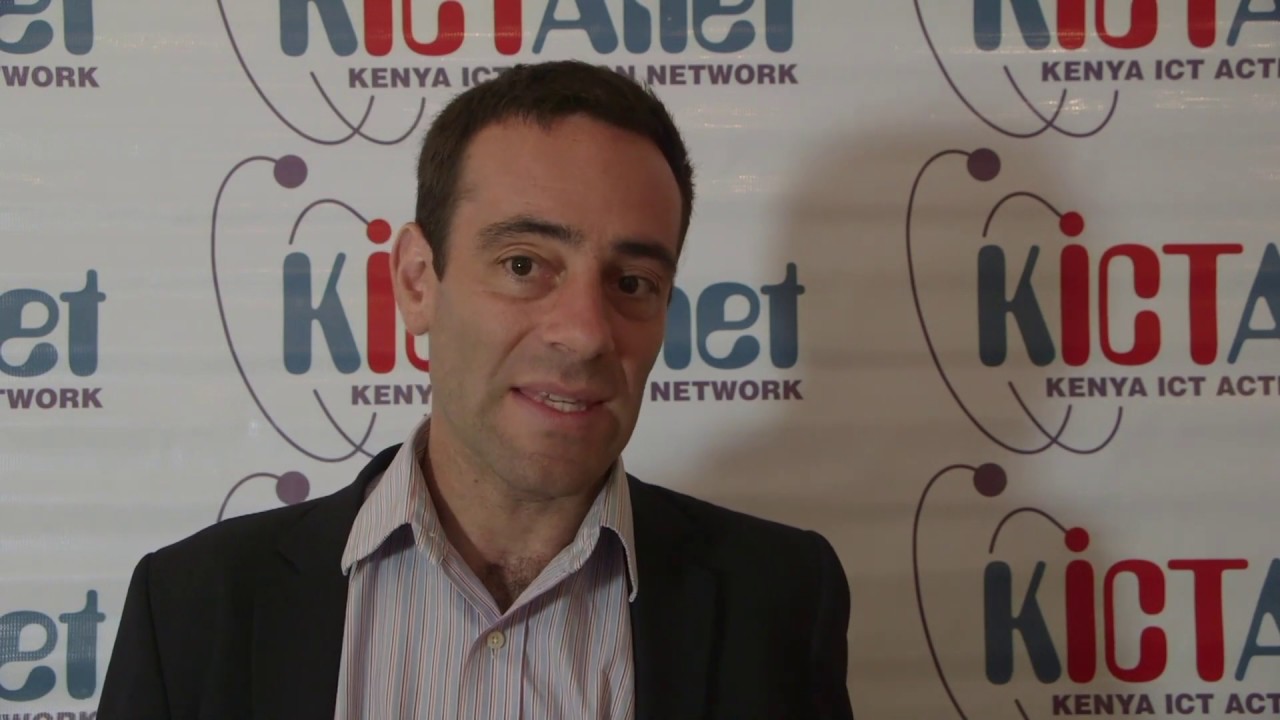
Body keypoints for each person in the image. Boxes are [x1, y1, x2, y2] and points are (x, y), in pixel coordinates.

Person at [99, 60, 853, 719]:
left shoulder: (781, 600)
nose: (585, 332)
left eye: (632, 282)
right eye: (524, 265)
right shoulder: (193, 608)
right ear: (417, 282)